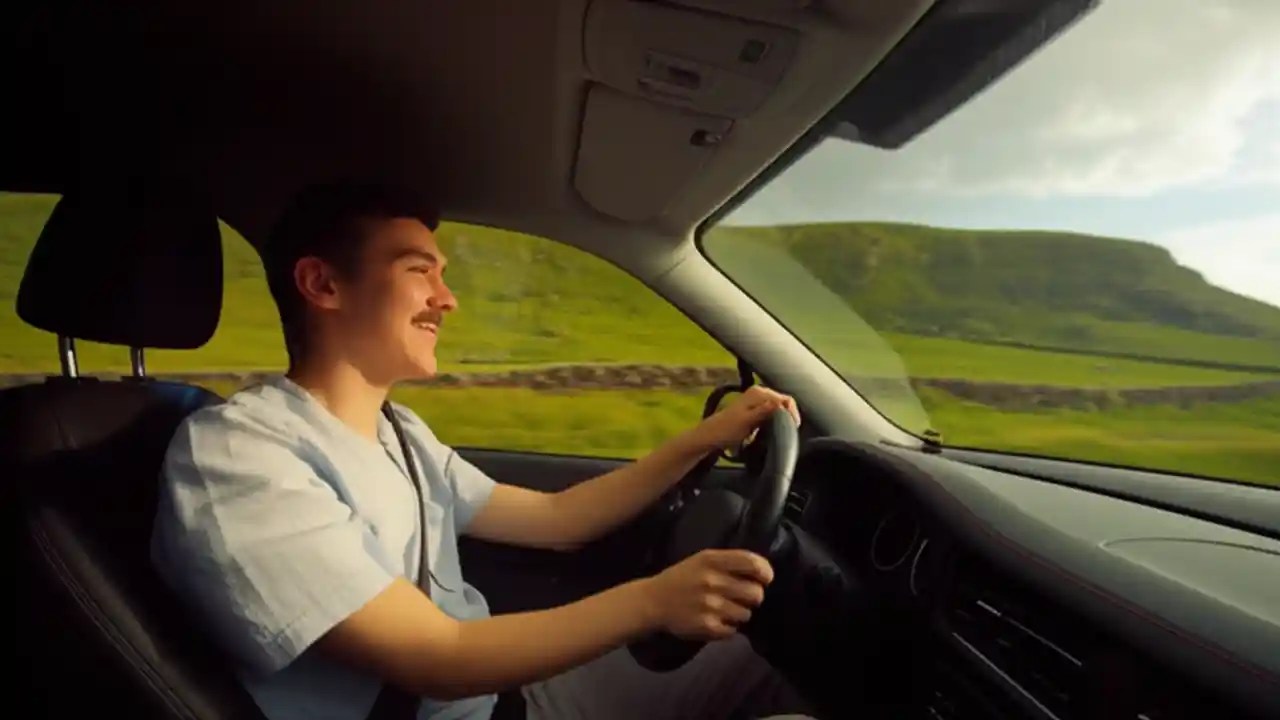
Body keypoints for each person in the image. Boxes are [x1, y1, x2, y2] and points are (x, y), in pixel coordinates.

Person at [150, 182, 813, 720]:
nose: (448, 297)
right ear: (322, 285)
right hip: (459, 708)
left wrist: (704, 437)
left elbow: (561, 521)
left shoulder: (400, 433)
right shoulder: (239, 459)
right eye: (419, 270)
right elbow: (435, 655)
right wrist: (652, 604)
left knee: (763, 661)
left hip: (501, 704)